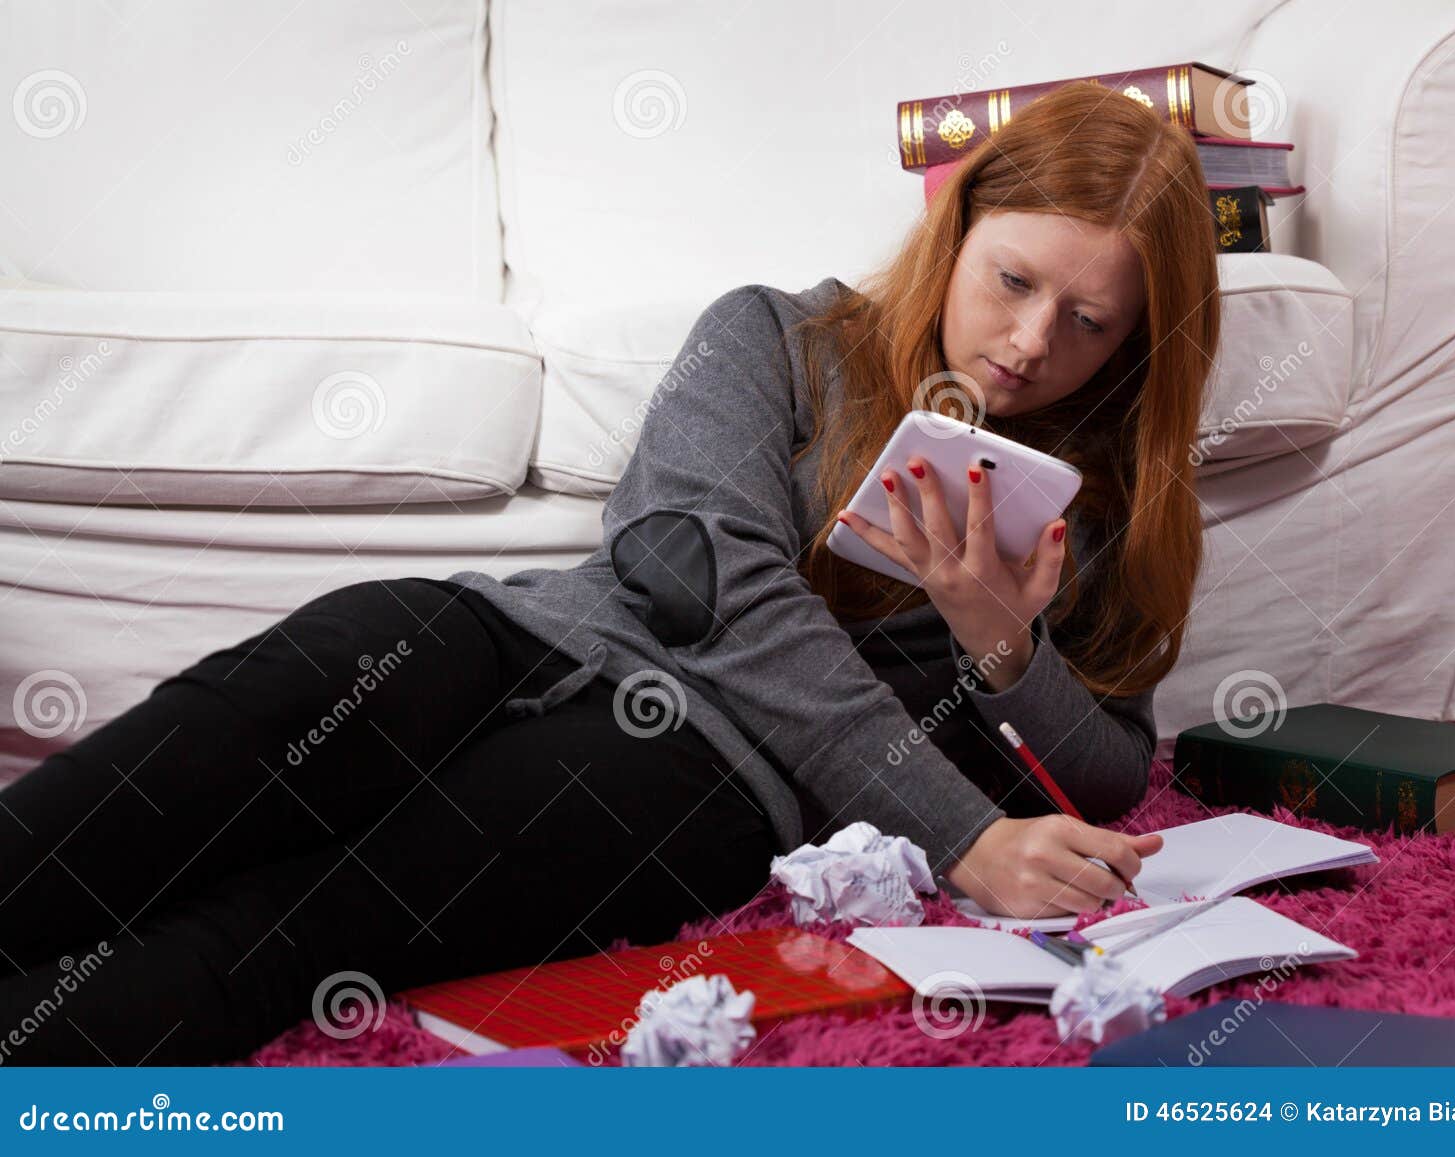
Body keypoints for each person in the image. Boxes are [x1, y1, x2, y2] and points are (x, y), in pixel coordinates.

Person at [0, 80, 1219, 1064]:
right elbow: (704, 586)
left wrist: (998, 644)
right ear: (954, 232)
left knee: (287, 931)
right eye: (1014, 281)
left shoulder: (1099, 505)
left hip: (704, 769)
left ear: (1136, 339)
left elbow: (1113, 772)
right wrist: (962, 834)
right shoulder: (775, 335)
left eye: (1087, 320)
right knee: (198, 761)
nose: (1026, 343)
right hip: (511, 634)